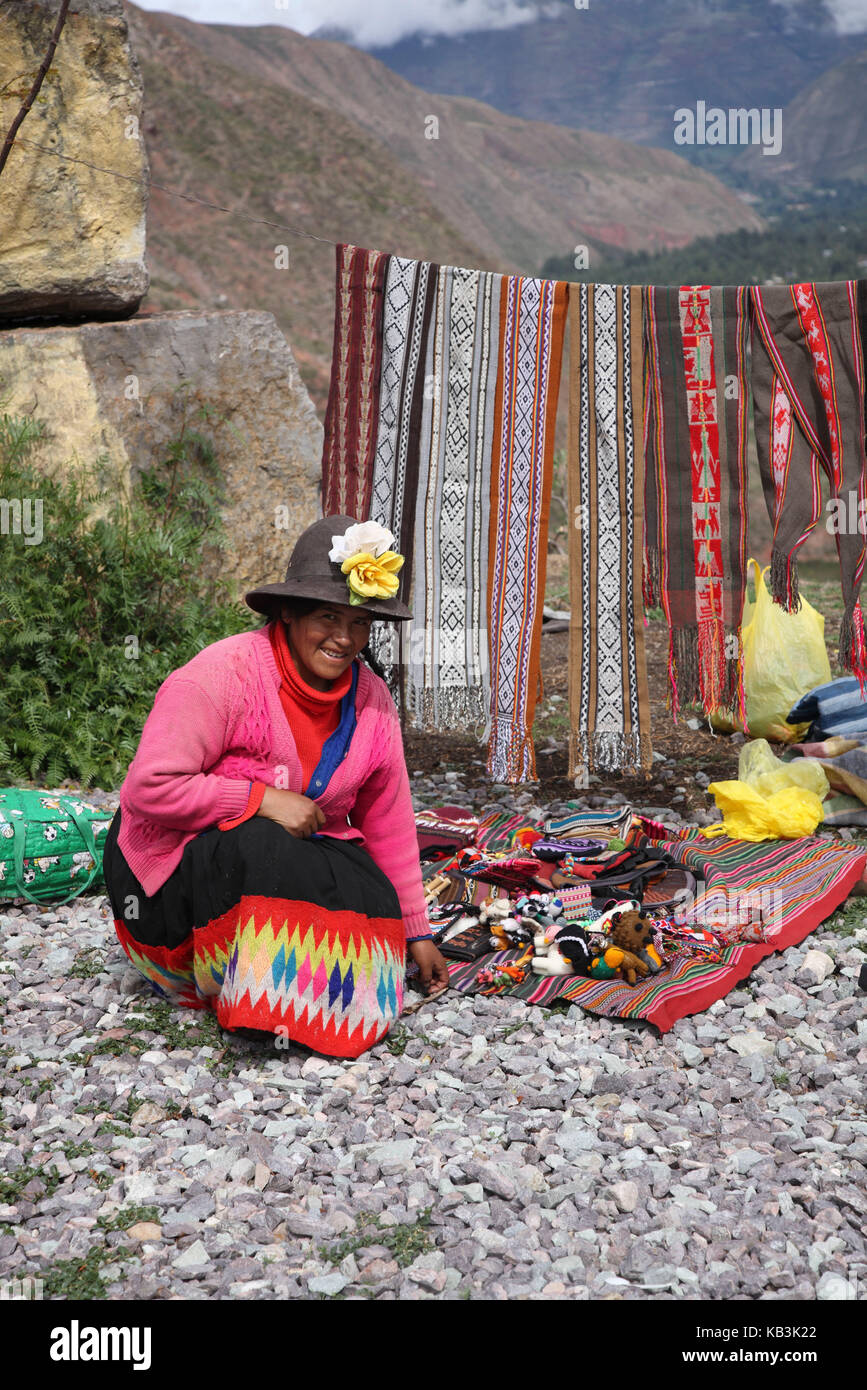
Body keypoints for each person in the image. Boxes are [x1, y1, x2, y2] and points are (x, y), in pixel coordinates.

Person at [101, 515, 450, 1060]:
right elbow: (148, 789)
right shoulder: (223, 674)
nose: (344, 638)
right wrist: (259, 799)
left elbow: (388, 821)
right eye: (327, 617)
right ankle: (241, 993)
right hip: (171, 882)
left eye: (360, 623)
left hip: (287, 853)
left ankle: (299, 1000)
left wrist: (415, 930)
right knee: (260, 845)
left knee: (369, 886)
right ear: (287, 613)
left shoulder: (372, 700)